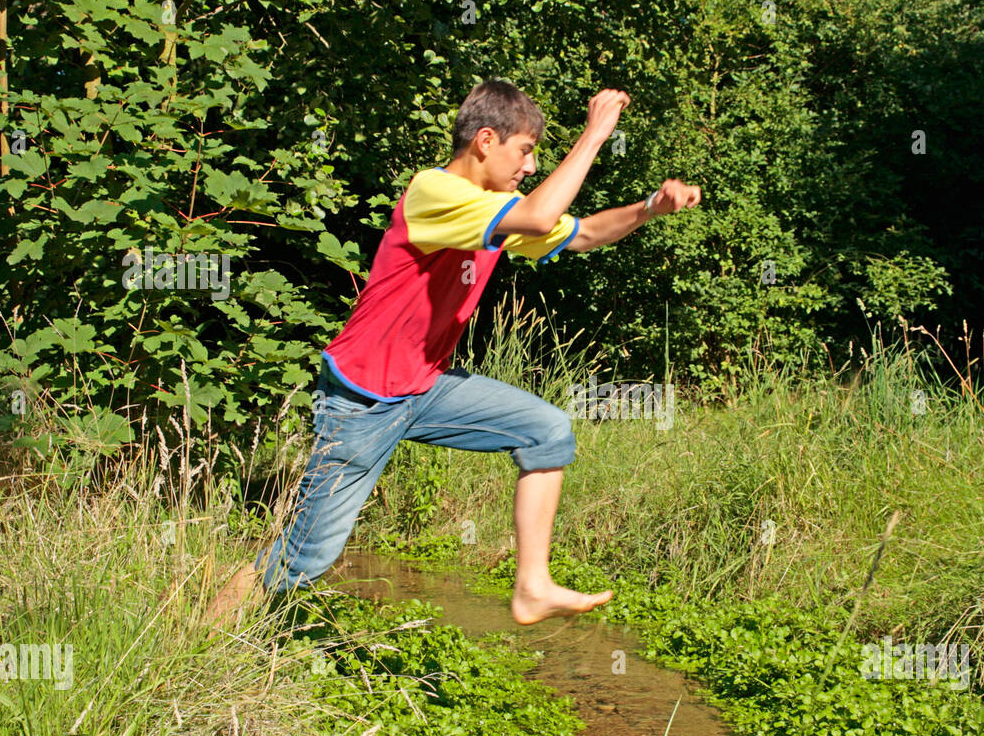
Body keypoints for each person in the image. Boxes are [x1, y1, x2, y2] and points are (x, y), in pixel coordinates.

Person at [207, 79, 702, 629]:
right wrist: (594, 134)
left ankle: (533, 585)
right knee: (302, 560)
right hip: (361, 401)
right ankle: (193, 639)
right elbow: (541, 216)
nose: (531, 165)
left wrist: (649, 209)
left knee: (547, 430)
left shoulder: (495, 209)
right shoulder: (432, 192)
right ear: (486, 141)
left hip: (425, 386)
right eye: (526, 149)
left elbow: (579, 233)